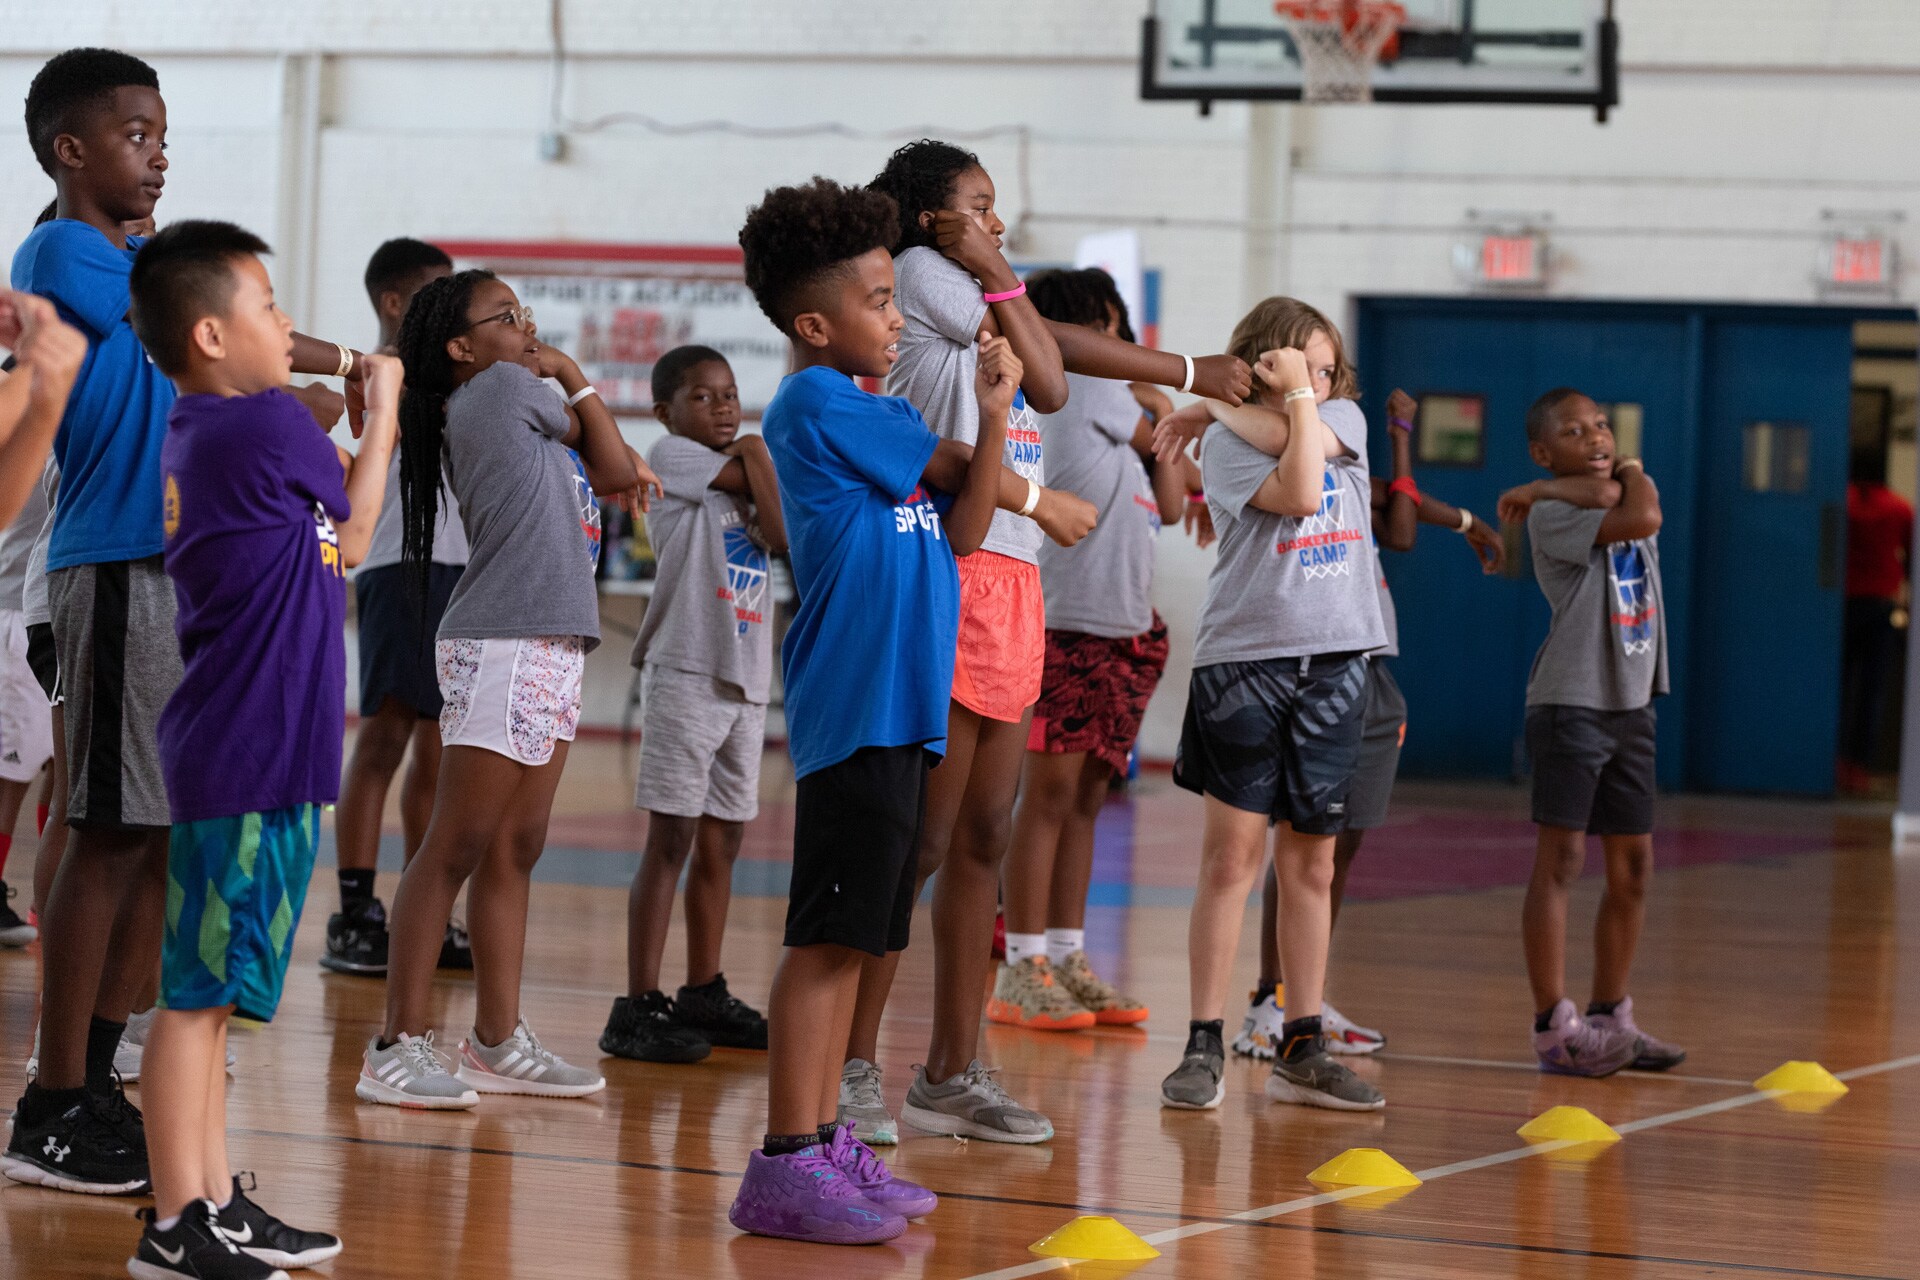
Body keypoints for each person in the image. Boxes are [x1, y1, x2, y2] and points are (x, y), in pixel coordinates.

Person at [7, 48, 379, 1196]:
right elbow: (220, 316)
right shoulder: (65, 248)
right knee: (110, 832)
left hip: (185, 572)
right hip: (115, 567)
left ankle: (103, 1071)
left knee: (165, 836)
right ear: (72, 150)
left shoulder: (135, 271)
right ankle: (53, 1098)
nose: (157, 151)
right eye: (134, 133)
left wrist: (342, 376)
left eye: (163, 133)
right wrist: (350, 357)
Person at [837, 138, 1223, 1149]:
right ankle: (854, 1066)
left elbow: (1044, 350)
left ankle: (952, 1070)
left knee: (981, 842)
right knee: (918, 839)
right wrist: (1001, 270)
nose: (996, 219)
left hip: (1012, 577)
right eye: (978, 203)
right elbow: (1051, 378)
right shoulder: (926, 276)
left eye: (997, 206)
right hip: (947, 570)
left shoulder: (975, 292)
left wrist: (1186, 371)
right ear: (931, 219)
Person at [729, 174, 1025, 1244]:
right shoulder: (817, 402)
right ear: (816, 323)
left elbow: (965, 532)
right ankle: (786, 1158)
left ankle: (822, 1140)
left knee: (859, 935)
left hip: (905, 707)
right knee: (824, 941)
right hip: (856, 703)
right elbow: (946, 490)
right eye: (880, 299)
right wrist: (974, 429)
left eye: (896, 296)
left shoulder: (883, 413)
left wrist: (993, 416)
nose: (896, 316)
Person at [125, 219, 401, 1280]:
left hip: (263, 754)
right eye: (270, 306)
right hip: (242, 756)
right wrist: (384, 411)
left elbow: (351, 542)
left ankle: (213, 1200)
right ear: (208, 334)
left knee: (219, 996)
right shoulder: (262, 428)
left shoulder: (228, 434)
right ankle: (171, 1223)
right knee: (194, 1001)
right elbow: (364, 522)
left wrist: (369, 413)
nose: (289, 326)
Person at [357, 269, 656, 1108]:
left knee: (515, 846)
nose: (527, 328)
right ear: (462, 349)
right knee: (454, 843)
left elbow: (605, 473)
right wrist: (565, 371)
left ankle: (494, 1041)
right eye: (507, 318)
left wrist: (563, 375)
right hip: (502, 640)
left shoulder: (510, 400)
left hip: (550, 640)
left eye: (527, 317)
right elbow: (611, 461)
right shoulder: (495, 394)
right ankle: (395, 1045)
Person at [1151, 297, 1388, 1113]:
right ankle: (1204, 1041)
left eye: (1324, 369)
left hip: (1334, 665)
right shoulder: (1223, 446)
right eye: (1298, 366)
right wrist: (1238, 405)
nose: (1316, 382)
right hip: (1245, 663)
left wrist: (1238, 400)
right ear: (1259, 365)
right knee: (1230, 860)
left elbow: (1313, 443)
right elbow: (1295, 492)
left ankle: (1302, 1040)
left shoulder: (1347, 419)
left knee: (1312, 863)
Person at [1224, 391, 1507, 1059]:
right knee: (1301, 841)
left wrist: (1464, 517)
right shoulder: (1275, 463)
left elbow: (1402, 513)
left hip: (1373, 669)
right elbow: (1404, 529)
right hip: (1317, 664)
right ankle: (1271, 998)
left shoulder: (1350, 468)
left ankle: (1306, 992)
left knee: (1337, 846)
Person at [993, 268, 1191, 1032]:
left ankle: (1066, 956)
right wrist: (1159, 401)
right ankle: (1021, 966)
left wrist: (1166, 415)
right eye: (1110, 329)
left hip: (1120, 631)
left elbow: (1171, 503)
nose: (1123, 345)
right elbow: (1139, 406)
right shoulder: (1079, 391)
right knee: (1045, 802)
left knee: (1085, 802)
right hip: (1064, 627)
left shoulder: (1124, 427)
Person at [602, 346, 782, 1064]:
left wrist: (759, 452)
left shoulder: (743, 469)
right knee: (670, 839)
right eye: (703, 397)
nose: (724, 407)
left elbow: (785, 532)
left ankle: (703, 987)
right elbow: (766, 488)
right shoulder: (671, 456)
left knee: (724, 840)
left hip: (744, 674)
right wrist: (761, 450)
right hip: (687, 669)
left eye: (732, 395)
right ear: (666, 413)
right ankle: (638, 1002)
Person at [1496, 388, 1683, 1076]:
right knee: (1565, 862)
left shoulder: (1591, 493)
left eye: (1602, 424)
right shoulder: (1550, 513)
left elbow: (1634, 505)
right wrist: (1611, 472)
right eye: (1576, 432)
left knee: (1634, 867)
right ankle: (1555, 1028)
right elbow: (1644, 512)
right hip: (1572, 701)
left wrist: (1593, 474)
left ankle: (1612, 1017)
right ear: (1545, 454)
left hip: (1632, 703)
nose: (1598, 436)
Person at [324, 237, 470, 977]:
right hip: (396, 562)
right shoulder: (375, 376)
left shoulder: (459, 375)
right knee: (383, 732)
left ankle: (426, 904)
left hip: (460, 565)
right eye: (434, 292)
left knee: (441, 745)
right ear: (393, 301)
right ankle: (354, 909)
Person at [1839, 447, 1912, 792]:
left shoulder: (1842, 504)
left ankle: (1834, 761)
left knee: (1839, 685)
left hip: (1843, 602)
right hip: (1881, 602)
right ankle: (1859, 768)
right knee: (1872, 688)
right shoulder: (1900, 508)